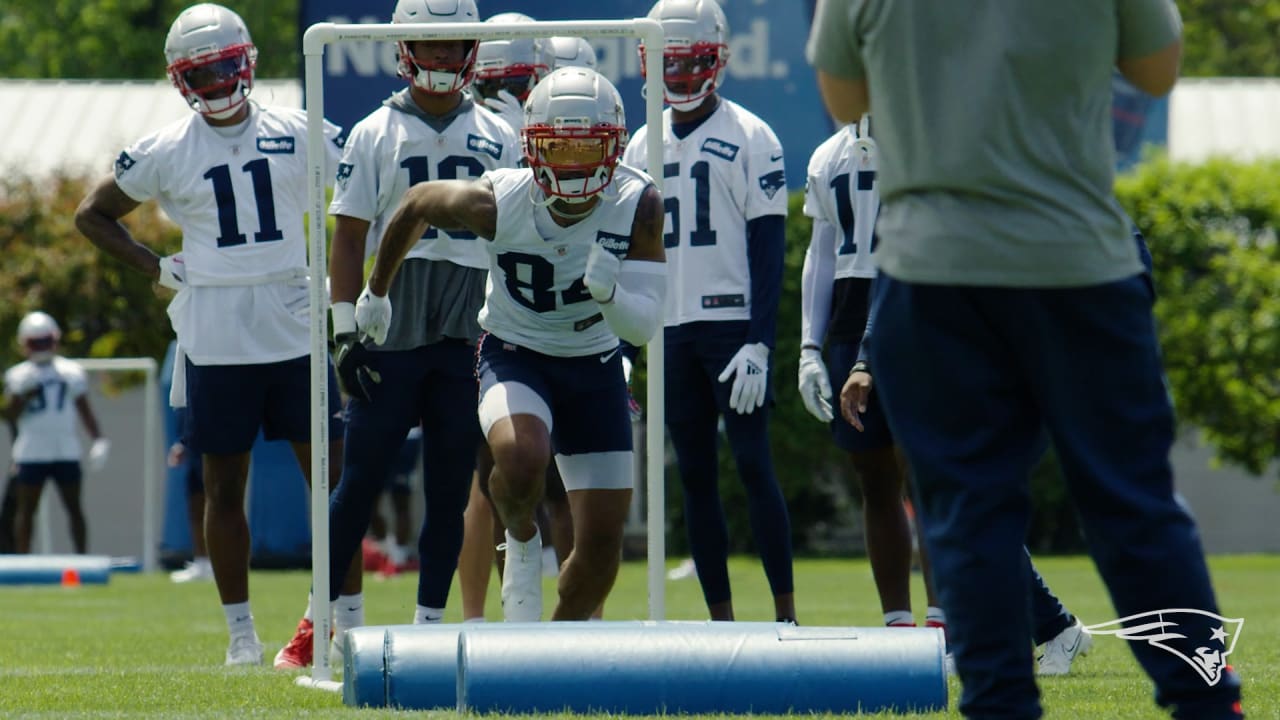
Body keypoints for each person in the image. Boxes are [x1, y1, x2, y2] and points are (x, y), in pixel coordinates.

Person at [809, 2, 1243, 717]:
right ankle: (1205, 704)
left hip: (933, 270)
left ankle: (1000, 705)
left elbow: (845, 97)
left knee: (969, 518)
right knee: (1135, 506)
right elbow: (1156, 70)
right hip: (1076, 261)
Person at [75, 3, 352, 666]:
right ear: (179, 80)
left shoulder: (301, 128)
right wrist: (157, 266)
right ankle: (241, 636)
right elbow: (92, 214)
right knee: (224, 487)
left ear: (249, 60)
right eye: (202, 73)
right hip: (217, 332)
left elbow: (360, 191)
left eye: (226, 66)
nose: (219, 82)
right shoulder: (166, 148)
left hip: (293, 322)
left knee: (336, 485)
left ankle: (339, 626)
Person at [363, 65, 665, 622]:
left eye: (586, 150)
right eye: (559, 149)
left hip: (595, 364)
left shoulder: (638, 200)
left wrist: (609, 294)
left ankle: (556, 651)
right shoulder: (500, 200)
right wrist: (376, 291)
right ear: (531, 147)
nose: (573, 167)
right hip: (516, 352)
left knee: (599, 556)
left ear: (615, 147)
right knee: (521, 458)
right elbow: (418, 203)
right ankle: (522, 538)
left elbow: (642, 326)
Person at [274, 0, 520, 666]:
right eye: (428, 46)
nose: (441, 60)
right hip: (390, 313)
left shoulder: (500, 132)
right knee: (359, 480)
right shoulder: (374, 131)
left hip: (468, 315)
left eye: (452, 46)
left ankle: (430, 627)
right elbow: (349, 233)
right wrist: (345, 325)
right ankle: (319, 618)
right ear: (404, 48)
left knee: (446, 484)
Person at [623, 0, 795, 623]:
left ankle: (786, 616)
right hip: (666, 327)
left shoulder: (752, 136)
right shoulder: (643, 139)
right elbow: (625, 250)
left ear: (717, 59)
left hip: (729, 327)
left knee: (754, 465)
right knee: (693, 475)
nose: (678, 74)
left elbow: (768, 252)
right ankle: (721, 620)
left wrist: (760, 342)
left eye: (689, 60)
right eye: (667, 61)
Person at [798, 117, 945, 632]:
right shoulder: (828, 155)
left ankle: (942, 621)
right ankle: (897, 622)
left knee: (926, 473)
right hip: (846, 316)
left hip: (913, 311)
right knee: (874, 478)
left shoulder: (927, 137)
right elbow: (820, 254)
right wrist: (809, 347)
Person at [3, 312, 110, 555]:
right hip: (31, 450)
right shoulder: (18, 375)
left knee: (74, 507)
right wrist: (22, 395)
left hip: (65, 448)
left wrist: (99, 438)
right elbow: (10, 415)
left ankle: (82, 558)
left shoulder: (70, 371)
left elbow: (84, 408)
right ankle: (24, 561)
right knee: (27, 509)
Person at [168, 405, 212, 582]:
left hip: (212, 442)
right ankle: (202, 562)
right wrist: (181, 443)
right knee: (195, 504)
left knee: (217, 504)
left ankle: (219, 562)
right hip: (193, 447)